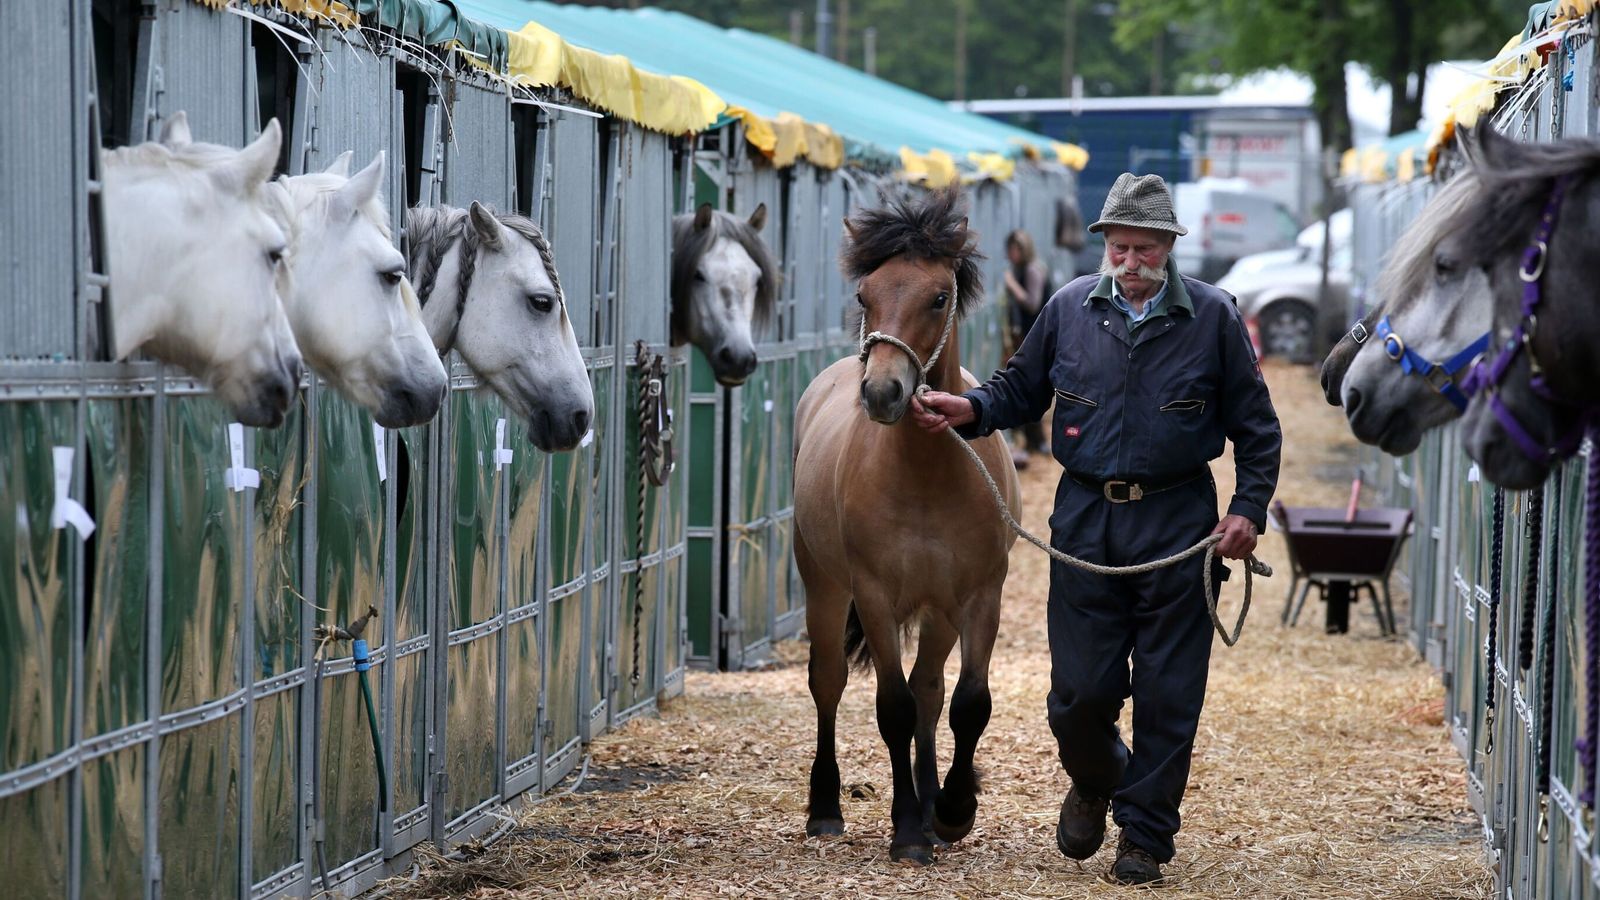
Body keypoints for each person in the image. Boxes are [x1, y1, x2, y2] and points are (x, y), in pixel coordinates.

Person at [911, 173, 1282, 885]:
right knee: (1078, 696)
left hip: (1178, 523)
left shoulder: (1213, 318)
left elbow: (1258, 431)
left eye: (1145, 248)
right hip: (1084, 521)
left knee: (1171, 694)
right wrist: (970, 408)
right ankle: (1096, 777)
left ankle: (1145, 837)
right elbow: (1021, 390)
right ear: (1104, 245)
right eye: (1119, 247)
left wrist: (1248, 509)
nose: (1130, 261)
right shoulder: (1068, 309)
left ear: (1170, 247)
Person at [1002, 229, 1049, 467]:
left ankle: (1039, 441)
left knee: (1033, 387)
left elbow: (1032, 303)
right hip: (1030, 336)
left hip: (1038, 337)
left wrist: (1011, 285)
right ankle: (1033, 441)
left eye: (1015, 248)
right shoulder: (1023, 269)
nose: (1011, 254)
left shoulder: (1032, 270)